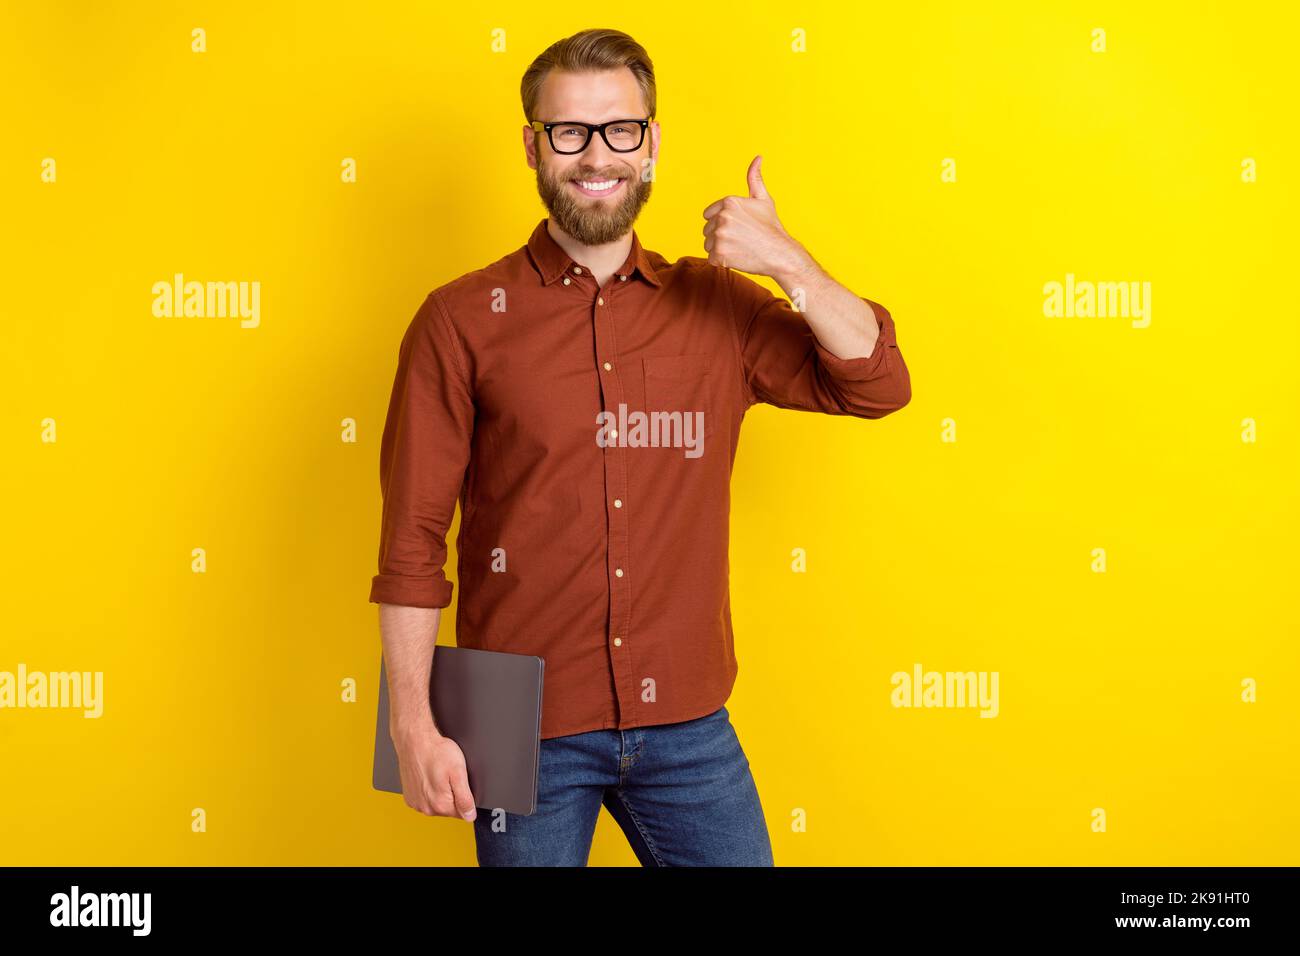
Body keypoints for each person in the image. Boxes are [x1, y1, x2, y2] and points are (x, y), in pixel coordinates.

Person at [369, 27, 911, 866]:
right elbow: (410, 538)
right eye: (569, 132)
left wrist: (785, 262)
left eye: (620, 129)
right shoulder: (459, 319)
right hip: (517, 720)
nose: (596, 156)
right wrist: (413, 720)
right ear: (532, 147)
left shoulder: (720, 306)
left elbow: (876, 383)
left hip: (689, 721)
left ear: (651, 143)